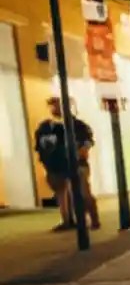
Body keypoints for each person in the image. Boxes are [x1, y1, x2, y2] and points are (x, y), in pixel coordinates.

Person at [33, 96, 100, 231]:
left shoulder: (77, 125)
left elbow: (88, 141)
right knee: (61, 193)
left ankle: (94, 220)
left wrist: (82, 150)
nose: (55, 108)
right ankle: (67, 220)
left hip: (77, 164)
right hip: (56, 165)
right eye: (53, 106)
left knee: (83, 192)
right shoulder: (45, 127)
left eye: (58, 105)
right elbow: (41, 145)